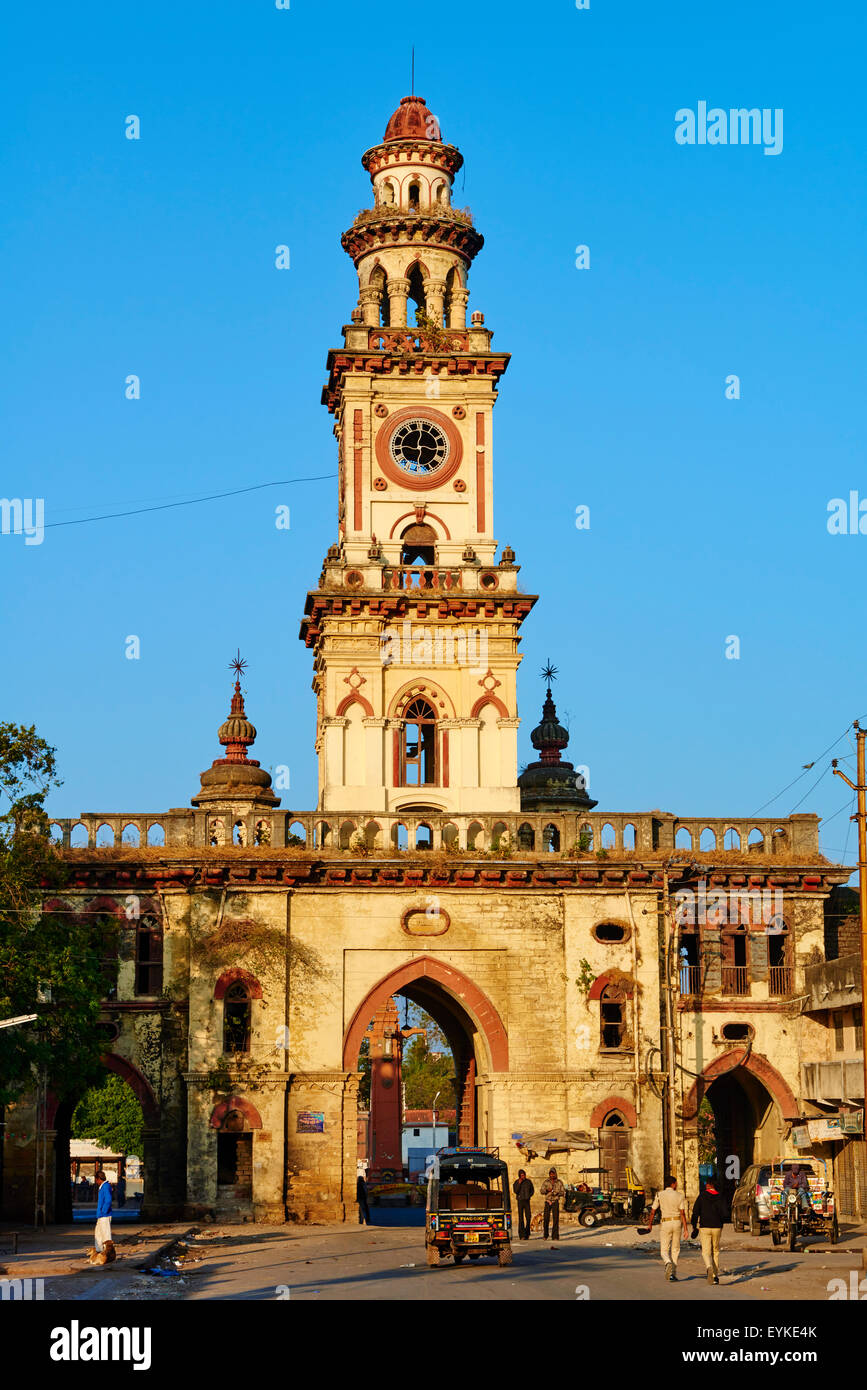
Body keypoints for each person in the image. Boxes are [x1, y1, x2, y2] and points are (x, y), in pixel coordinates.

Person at [649, 1174, 689, 1282]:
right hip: (677, 1222)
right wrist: (685, 1229)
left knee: (664, 1250)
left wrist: (649, 1225)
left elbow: (653, 1211)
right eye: (675, 1183)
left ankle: (667, 1262)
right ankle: (673, 1274)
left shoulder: (659, 1194)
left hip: (665, 1222)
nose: (676, 1185)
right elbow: (683, 1213)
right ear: (672, 1184)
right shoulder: (679, 1195)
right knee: (675, 1249)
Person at [690, 1177, 728, 1285]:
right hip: (717, 1227)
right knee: (715, 1251)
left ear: (707, 1185)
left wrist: (694, 1226)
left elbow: (695, 1212)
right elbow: (725, 1213)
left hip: (705, 1226)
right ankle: (715, 1276)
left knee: (706, 1252)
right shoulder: (720, 1196)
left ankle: (708, 1266)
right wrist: (720, 1221)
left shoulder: (702, 1196)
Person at [540, 1167, 566, 1243]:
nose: (552, 1175)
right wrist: (546, 1190)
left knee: (555, 1219)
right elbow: (541, 1191)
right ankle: (545, 1235)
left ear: (555, 1174)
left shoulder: (559, 1182)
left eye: (553, 1174)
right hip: (547, 1202)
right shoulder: (546, 1182)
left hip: (555, 1201)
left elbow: (563, 1192)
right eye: (550, 1174)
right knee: (546, 1219)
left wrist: (557, 1193)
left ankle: (555, 1236)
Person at [512, 1169, 534, 1240]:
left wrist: (529, 1196)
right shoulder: (516, 1182)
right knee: (521, 1218)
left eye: (524, 1175)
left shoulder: (528, 1182)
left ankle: (527, 1233)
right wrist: (519, 1183)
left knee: (528, 1217)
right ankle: (521, 1235)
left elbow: (532, 1190)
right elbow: (516, 1191)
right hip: (520, 1201)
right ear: (519, 1176)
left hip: (527, 1201)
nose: (523, 1176)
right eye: (521, 1175)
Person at [94, 1170, 112, 1254]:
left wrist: (103, 1211)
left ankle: (108, 1252)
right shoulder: (103, 1186)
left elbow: (108, 1200)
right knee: (98, 1233)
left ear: (98, 1179)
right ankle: (99, 1250)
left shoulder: (105, 1186)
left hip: (104, 1215)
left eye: (96, 1180)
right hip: (101, 1215)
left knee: (105, 1235)